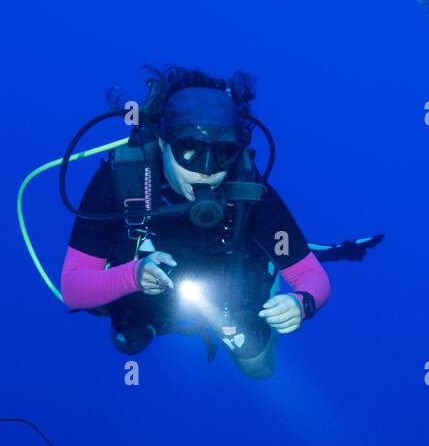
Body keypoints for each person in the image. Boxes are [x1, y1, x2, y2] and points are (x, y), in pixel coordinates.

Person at [60, 68, 333, 379]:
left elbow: (312, 275)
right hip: (143, 286)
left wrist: (301, 303)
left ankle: (265, 272)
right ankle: (147, 321)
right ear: (163, 141)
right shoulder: (123, 179)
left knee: (259, 368)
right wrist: (133, 276)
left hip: (225, 290)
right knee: (126, 340)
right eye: (189, 149)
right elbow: (72, 287)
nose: (206, 171)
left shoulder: (247, 189)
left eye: (223, 153)